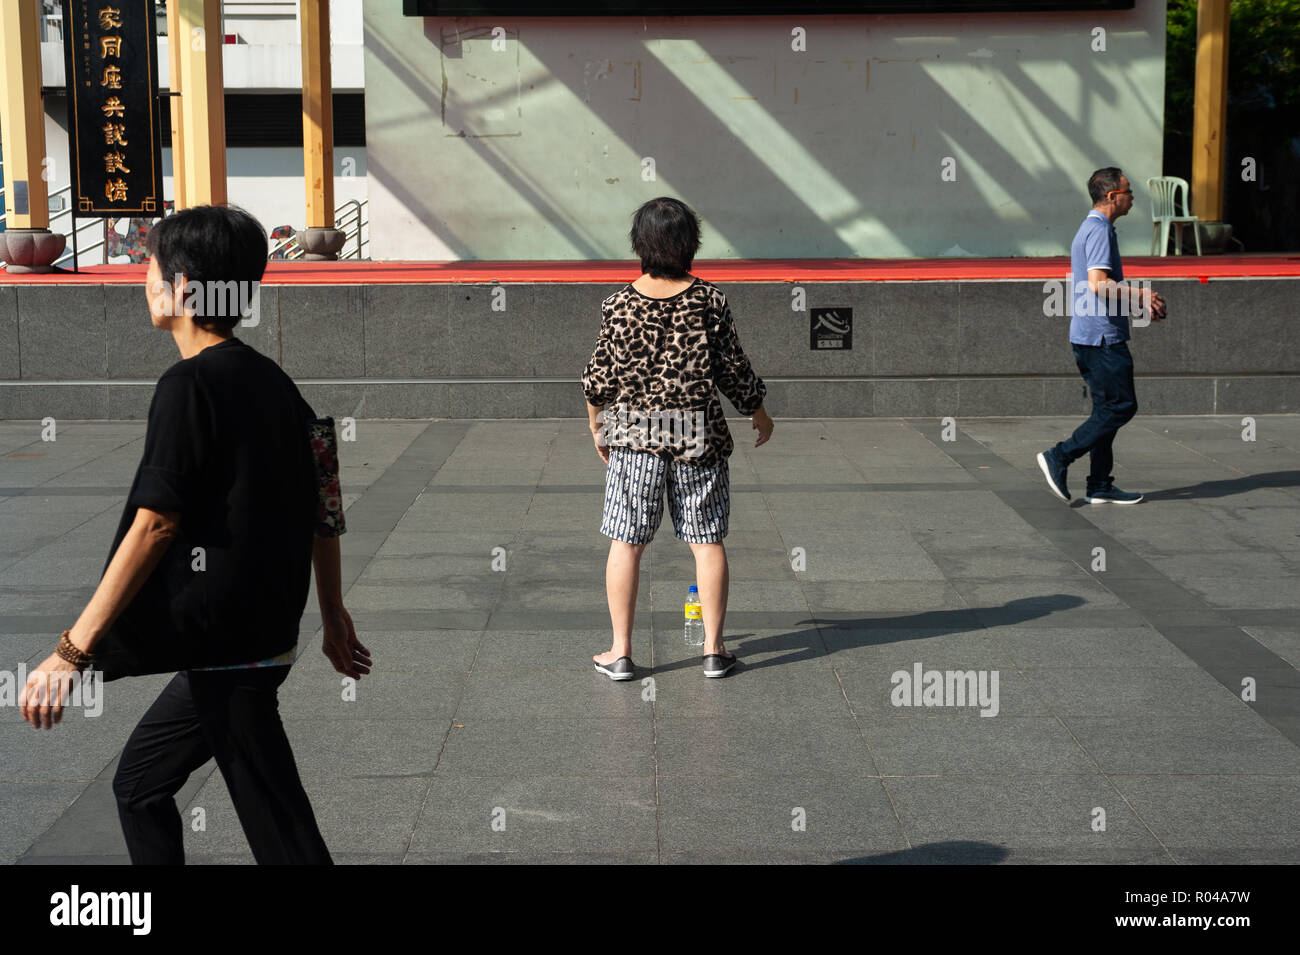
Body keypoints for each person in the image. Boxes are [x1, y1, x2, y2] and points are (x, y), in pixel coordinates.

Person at [19, 205, 372, 865]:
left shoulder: (189, 385)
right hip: (260, 631)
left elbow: (156, 522)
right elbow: (326, 500)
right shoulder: (274, 380)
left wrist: (72, 651)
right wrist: (331, 612)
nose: (142, 280)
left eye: (148, 267)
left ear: (182, 287)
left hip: (226, 641)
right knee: (142, 782)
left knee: (280, 830)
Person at [582, 197, 774, 680]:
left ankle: (620, 653)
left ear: (639, 244)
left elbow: (599, 376)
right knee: (707, 541)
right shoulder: (710, 300)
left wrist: (596, 422)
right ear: (691, 244)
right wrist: (758, 411)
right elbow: (733, 367)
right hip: (697, 435)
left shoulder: (619, 303)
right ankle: (713, 650)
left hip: (633, 436)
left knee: (626, 542)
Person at [1037, 167, 1166, 505]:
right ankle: (1059, 457)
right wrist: (1141, 296)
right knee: (1122, 406)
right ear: (1112, 196)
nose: (1132, 196)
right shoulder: (1098, 231)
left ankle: (1099, 485)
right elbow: (1098, 284)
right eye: (1128, 190)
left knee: (1106, 409)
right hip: (1101, 339)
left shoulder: (1095, 228)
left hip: (1091, 335)